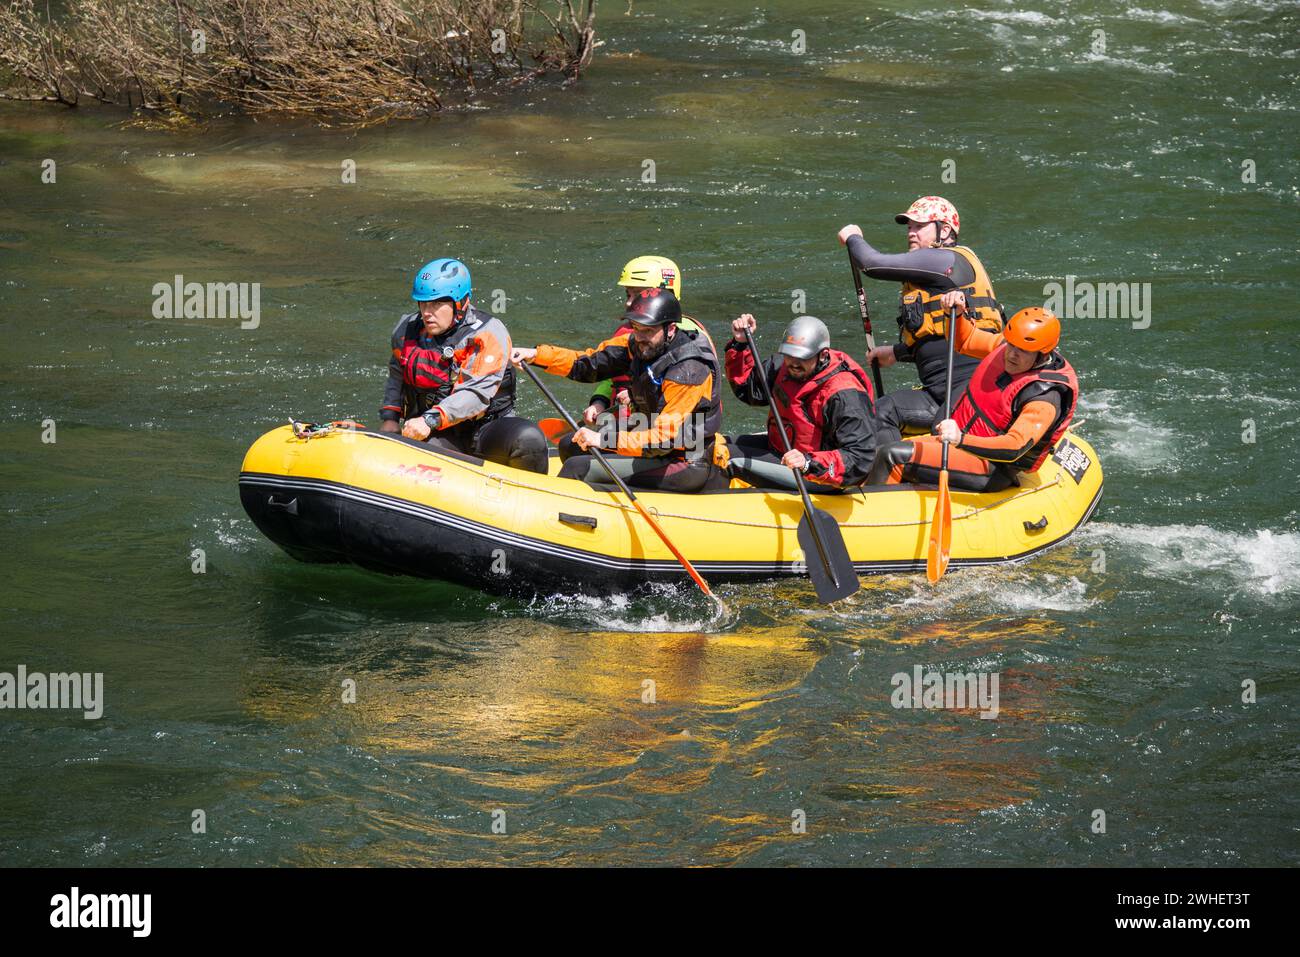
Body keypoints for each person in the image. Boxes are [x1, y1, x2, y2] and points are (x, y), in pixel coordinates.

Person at [511, 287, 728, 493]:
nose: (640, 337)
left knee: (578, 468)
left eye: (648, 331)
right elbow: (587, 364)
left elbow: (664, 440)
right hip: (652, 442)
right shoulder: (637, 345)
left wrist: (603, 440)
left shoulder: (688, 371)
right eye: (636, 328)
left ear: (670, 329)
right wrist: (536, 355)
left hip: (686, 461)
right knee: (572, 444)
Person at [837, 195, 1005, 444]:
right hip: (937, 389)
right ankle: (886, 475)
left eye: (919, 226)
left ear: (944, 230)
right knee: (881, 411)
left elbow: (872, 265)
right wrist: (897, 352)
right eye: (909, 227)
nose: (911, 233)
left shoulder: (946, 259)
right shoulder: (928, 273)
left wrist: (853, 237)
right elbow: (936, 333)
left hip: (974, 384)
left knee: (941, 429)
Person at [870, 304, 1078, 492]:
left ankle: (875, 517)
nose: (1012, 354)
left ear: (1042, 355)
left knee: (892, 456)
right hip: (955, 442)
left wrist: (961, 439)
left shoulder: (1045, 397)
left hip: (989, 466)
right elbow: (966, 340)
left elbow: (1015, 447)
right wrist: (958, 314)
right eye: (1012, 345)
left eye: (1023, 351)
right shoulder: (1006, 348)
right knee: (881, 446)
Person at [379, 257, 547, 474]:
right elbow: (397, 375)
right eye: (423, 303)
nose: (427, 312)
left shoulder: (488, 332)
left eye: (437, 303)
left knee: (530, 440)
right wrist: (390, 419)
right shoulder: (406, 329)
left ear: (461, 303)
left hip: (484, 428)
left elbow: (475, 393)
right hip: (437, 432)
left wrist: (430, 419)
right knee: (423, 459)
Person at [724, 313, 881, 490]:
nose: (794, 363)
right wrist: (740, 344)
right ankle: (688, 469)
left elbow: (860, 458)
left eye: (802, 357)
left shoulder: (845, 395)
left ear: (823, 355)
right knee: (716, 444)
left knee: (725, 458)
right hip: (782, 450)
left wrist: (809, 463)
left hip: (816, 474)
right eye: (789, 355)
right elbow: (747, 389)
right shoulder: (782, 367)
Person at [578, 255, 716, 431]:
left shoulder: (688, 339)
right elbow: (613, 374)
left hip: (665, 433)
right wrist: (600, 401)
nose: (629, 301)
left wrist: (635, 395)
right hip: (626, 426)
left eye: (638, 294)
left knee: (571, 448)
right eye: (628, 294)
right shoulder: (630, 331)